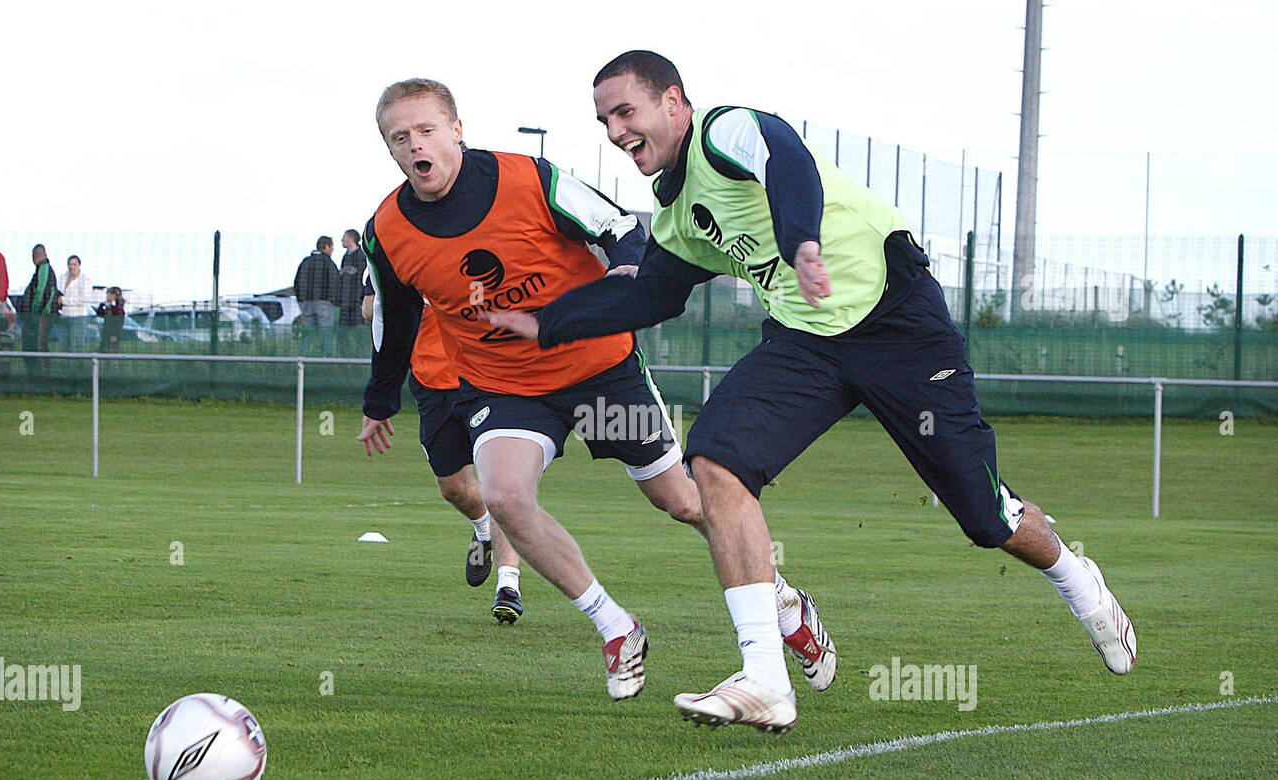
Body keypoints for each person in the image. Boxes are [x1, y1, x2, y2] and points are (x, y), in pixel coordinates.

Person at [486, 50, 1136, 733]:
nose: (616, 131)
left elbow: (786, 159)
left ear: (673, 103)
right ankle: (765, 675)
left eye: (626, 111)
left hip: (896, 321)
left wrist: (800, 242)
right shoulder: (675, 210)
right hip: (806, 342)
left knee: (983, 518)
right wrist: (548, 322)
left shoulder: (725, 130)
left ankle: (1077, 580)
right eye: (604, 120)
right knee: (715, 460)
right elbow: (652, 294)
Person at [358, 77, 834, 704]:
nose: (415, 145)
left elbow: (616, 225)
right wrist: (378, 401)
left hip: (596, 371)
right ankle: (617, 628)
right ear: (390, 150)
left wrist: (630, 263)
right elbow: (396, 321)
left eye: (425, 130)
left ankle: (782, 600)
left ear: (456, 129)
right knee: (503, 496)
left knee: (685, 503)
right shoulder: (386, 229)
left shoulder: (528, 177)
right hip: (505, 387)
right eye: (400, 137)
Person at [364, 273, 528, 621]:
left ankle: (508, 585)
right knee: (452, 487)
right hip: (433, 385)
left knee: (501, 484)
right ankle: (482, 530)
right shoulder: (391, 251)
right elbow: (370, 311)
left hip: (489, 381)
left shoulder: (481, 249)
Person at [294, 236, 338, 356]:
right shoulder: (329, 263)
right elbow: (334, 282)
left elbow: (297, 282)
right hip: (324, 303)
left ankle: (303, 359)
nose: (333, 249)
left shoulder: (306, 262)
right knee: (326, 333)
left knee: (307, 333)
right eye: (332, 246)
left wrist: (301, 300)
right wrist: (331, 300)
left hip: (306, 303)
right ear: (326, 246)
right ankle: (326, 359)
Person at [20, 244, 58, 373]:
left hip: (41, 317)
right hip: (39, 317)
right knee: (36, 344)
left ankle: (43, 374)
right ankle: (36, 372)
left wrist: (35, 313)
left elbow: (40, 293)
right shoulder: (41, 270)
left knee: (40, 344)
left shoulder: (44, 269)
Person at [58, 254, 93, 352]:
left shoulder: (85, 279)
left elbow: (84, 298)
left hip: (78, 317)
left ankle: (77, 366)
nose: (71, 267)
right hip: (63, 316)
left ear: (79, 265)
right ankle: (65, 366)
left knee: (76, 345)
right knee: (63, 345)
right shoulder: (62, 277)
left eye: (74, 264)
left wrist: (65, 300)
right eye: (70, 264)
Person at [96, 286, 125, 354]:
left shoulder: (118, 308)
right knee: (103, 351)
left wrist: (114, 334)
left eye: (109, 294)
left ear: (114, 295)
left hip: (113, 334)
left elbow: (118, 323)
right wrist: (102, 305)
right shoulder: (109, 307)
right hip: (106, 333)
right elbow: (100, 314)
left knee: (113, 351)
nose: (107, 296)